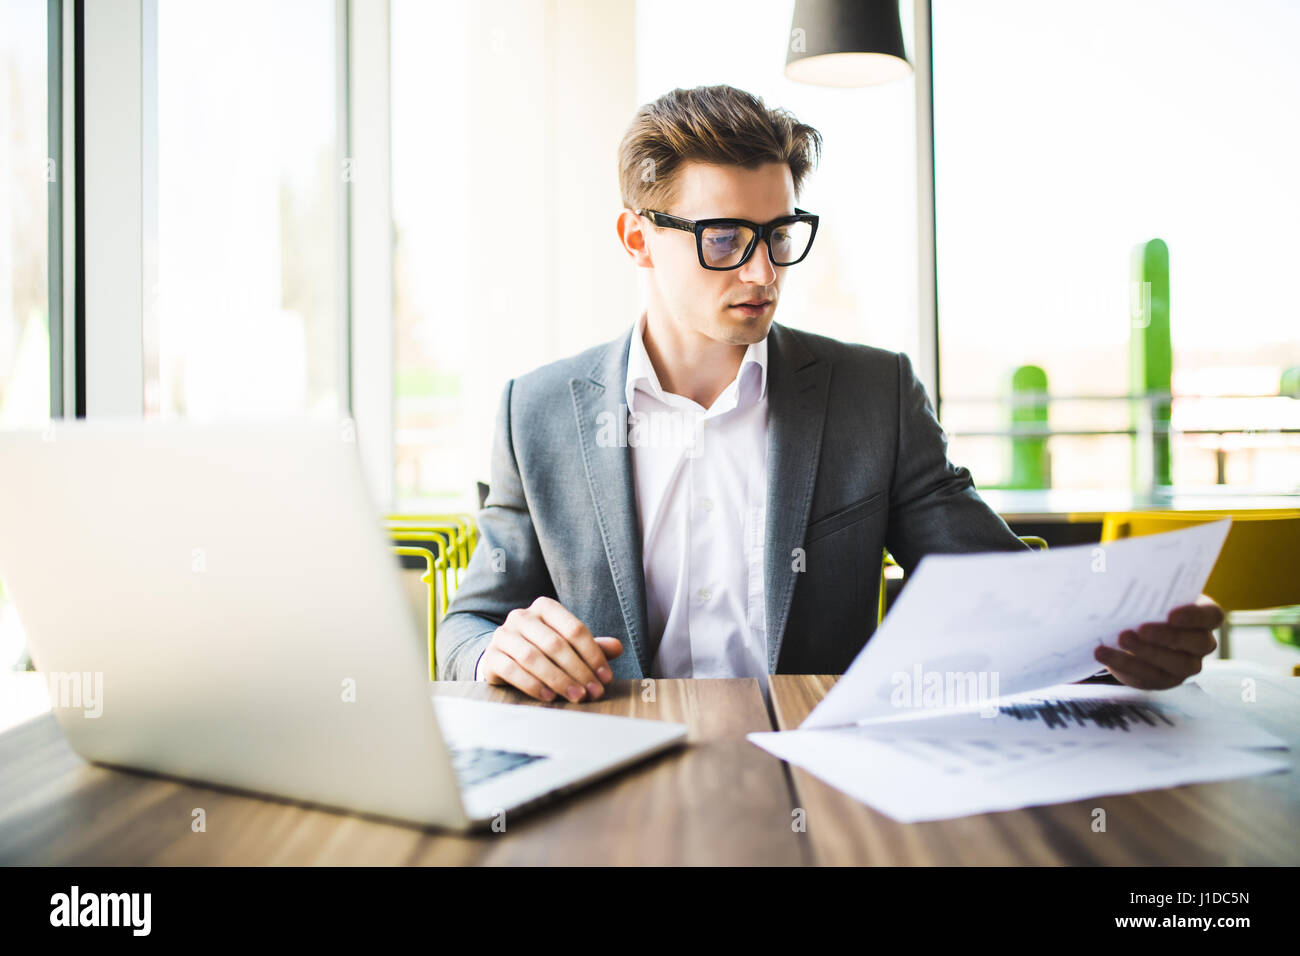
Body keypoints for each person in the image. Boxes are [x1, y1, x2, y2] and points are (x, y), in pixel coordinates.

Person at [436, 84, 1223, 703]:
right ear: (637, 238)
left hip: (820, 782)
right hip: (615, 780)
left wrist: (1111, 649)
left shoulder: (871, 396)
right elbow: (468, 622)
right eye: (724, 239)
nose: (763, 273)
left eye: (778, 234)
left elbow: (997, 591)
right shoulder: (534, 413)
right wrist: (494, 650)